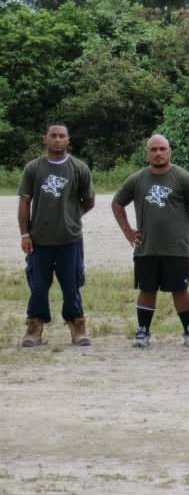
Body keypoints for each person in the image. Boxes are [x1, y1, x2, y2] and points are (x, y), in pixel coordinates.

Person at [112, 134, 189, 347]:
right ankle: (143, 330)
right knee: (147, 289)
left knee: (180, 289)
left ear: (169, 151)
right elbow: (117, 203)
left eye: (162, 149)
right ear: (147, 153)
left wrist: (183, 225)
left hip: (176, 248)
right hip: (146, 247)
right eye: (154, 150)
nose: (158, 153)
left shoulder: (182, 177)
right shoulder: (137, 179)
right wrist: (128, 231)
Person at [18, 122, 95, 347]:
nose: (58, 139)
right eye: (53, 135)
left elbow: (88, 201)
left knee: (72, 286)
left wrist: (72, 216)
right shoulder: (33, 168)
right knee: (38, 286)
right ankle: (34, 327)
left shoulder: (79, 168)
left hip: (69, 240)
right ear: (45, 139)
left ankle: (77, 326)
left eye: (62, 136)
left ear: (68, 140)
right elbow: (24, 202)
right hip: (39, 240)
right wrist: (25, 234)